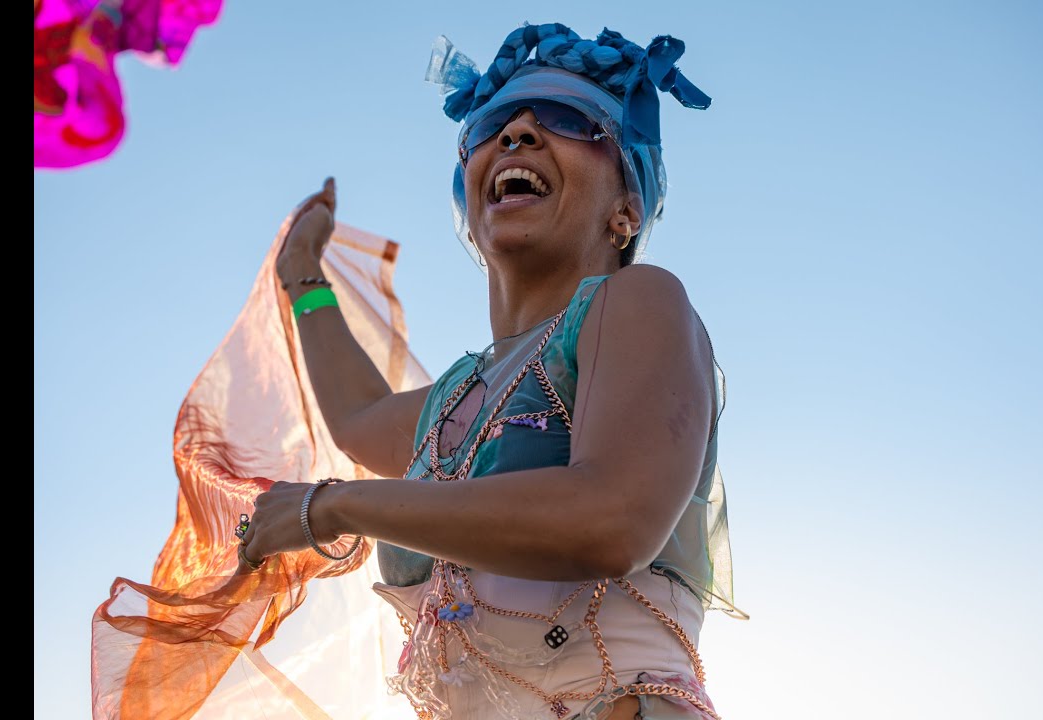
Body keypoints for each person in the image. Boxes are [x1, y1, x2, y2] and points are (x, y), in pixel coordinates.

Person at [233, 22, 741, 720]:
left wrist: (334, 506)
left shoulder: (640, 300)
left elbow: (614, 520)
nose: (518, 134)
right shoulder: (455, 401)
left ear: (627, 210)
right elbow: (354, 421)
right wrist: (302, 277)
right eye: (492, 126)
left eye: (568, 120)